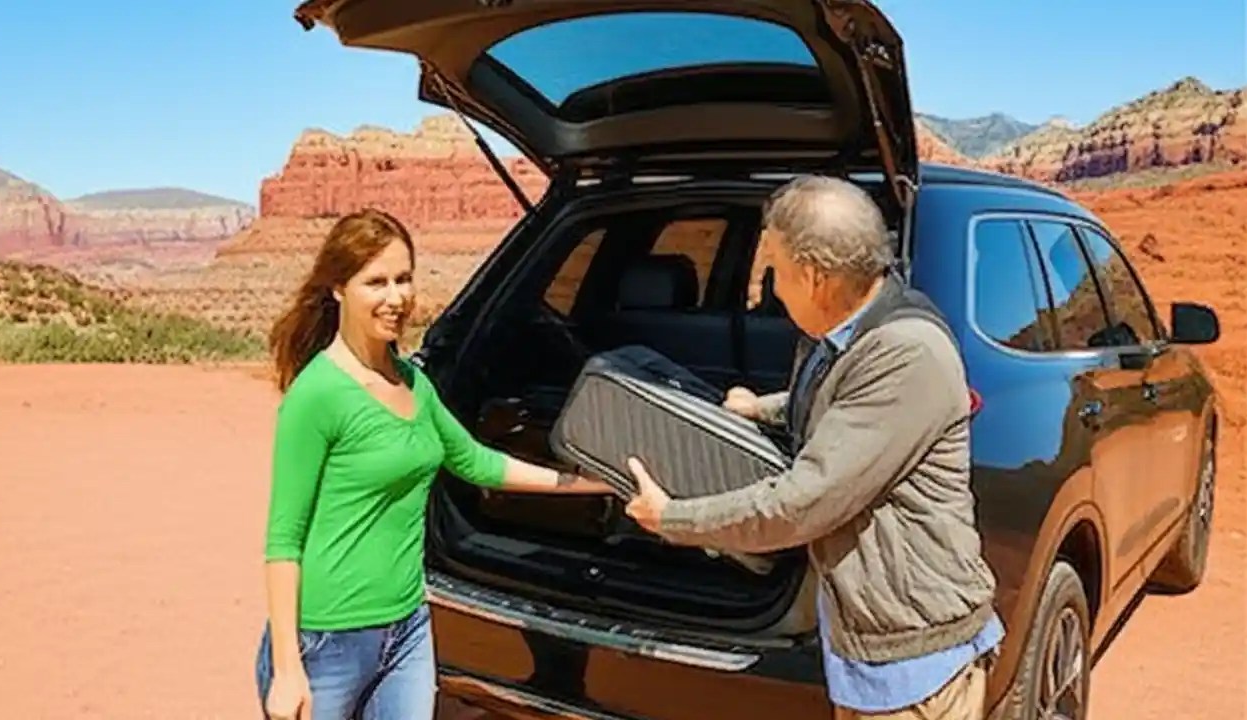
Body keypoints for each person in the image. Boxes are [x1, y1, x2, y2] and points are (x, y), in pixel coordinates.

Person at [623, 176, 1003, 719]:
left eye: (773, 268)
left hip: (915, 664)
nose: (771, 288)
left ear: (815, 276)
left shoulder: (905, 352)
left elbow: (803, 504)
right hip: (874, 653)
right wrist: (764, 407)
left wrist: (671, 519)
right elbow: (844, 402)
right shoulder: (851, 331)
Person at [255, 208, 613, 720]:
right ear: (338, 289)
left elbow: (479, 463)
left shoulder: (414, 384)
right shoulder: (317, 396)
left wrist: (594, 484)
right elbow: (283, 541)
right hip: (325, 641)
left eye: (404, 278)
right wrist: (289, 670)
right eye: (375, 282)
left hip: (406, 630)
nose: (396, 297)